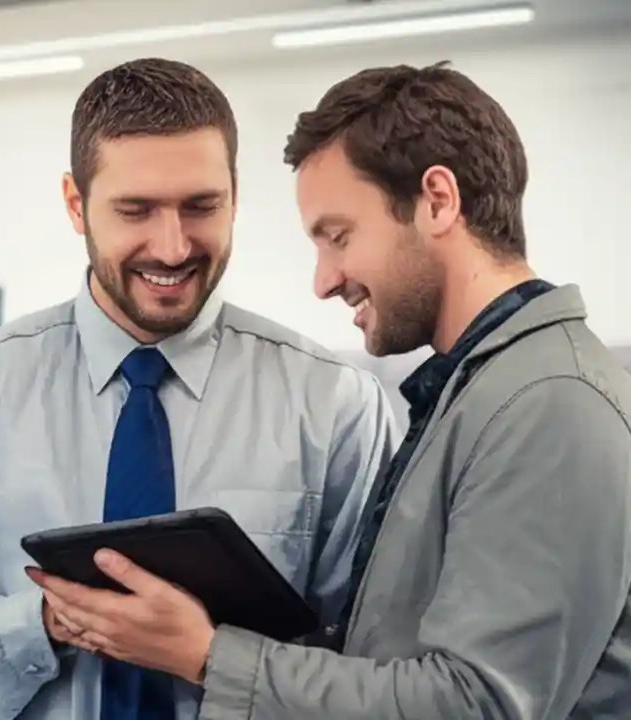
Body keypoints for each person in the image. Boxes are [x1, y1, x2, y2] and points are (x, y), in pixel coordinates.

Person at [31, 61, 631, 719]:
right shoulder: (481, 392)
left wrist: (206, 655)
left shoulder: (549, 404)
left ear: (437, 201)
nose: (324, 279)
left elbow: (474, 703)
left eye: (337, 236)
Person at [0, 58, 397, 719]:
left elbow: (374, 664)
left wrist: (212, 655)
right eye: (135, 210)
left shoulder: (335, 404)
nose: (171, 248)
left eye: (202, 206)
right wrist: (50, 622)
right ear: (75, 205)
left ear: (235, 195)